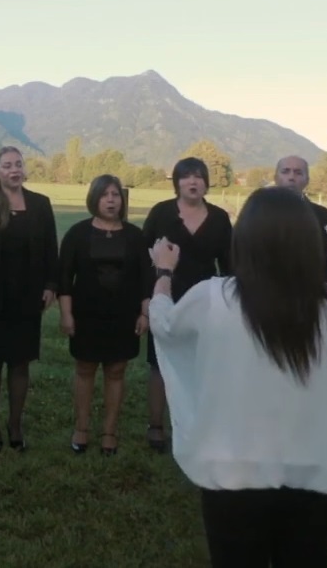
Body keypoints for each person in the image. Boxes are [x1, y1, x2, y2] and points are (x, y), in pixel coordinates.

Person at [149, 187, 327, 568]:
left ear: (244, 239)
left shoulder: (214, 298)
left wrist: (164, 274)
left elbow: (166, 326)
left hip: (234, 471)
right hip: (315, 471)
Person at [0, 146, 59, 452]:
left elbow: (50, 251)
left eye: (18, 164)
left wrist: (50, 285)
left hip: (28, 297)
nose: (14, 169)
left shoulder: (41, 204)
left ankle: (15, 423)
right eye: (7, 165)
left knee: (20, 363)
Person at [140, 157, 232, 452]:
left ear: (207, 182)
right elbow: (143, 259)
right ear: (177, 182)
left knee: (201, 363)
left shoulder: (219, 218)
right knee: (158, 362)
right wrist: (145, 298)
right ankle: (156, 426)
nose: (193, 182)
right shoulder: (161, 214)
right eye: (187, 177)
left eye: (199, 176)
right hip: (164, 294)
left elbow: (229, 265)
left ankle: (197, 425)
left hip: (206, 301)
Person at [57, 175, 151, 456]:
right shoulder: (77, 234)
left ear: (122, 200)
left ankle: (110, 431)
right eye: (105, 195)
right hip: (86, 314)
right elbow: (64, 279)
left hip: (123, 315)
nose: (111, 200)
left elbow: (147, 279)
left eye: (116, 195)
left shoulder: (136, 236)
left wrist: (145, 313)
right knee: (84, 369)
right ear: (94, 198)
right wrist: (66, 314)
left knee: (116, 371)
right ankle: (81, 428)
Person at [275, 155, 327, 279]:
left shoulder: (325, 217)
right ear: (276, 177)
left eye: (298, 173)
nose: (291, 177)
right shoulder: (257, 212)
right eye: (285, 171)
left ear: (307, 180)